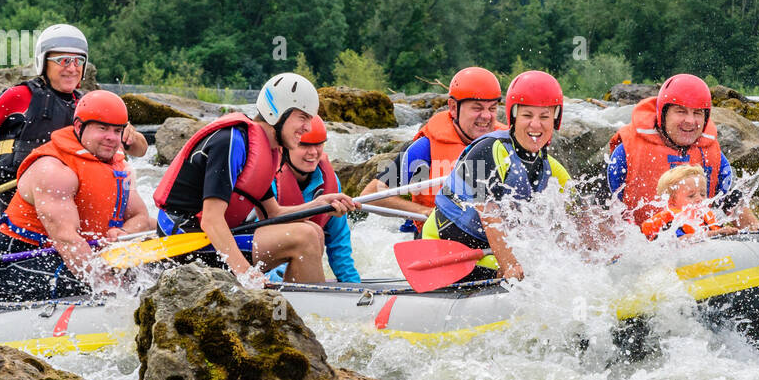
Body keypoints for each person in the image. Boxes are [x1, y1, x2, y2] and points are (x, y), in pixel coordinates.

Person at [152, 72, 357, 285]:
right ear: (277, 113)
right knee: (304, 237)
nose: (307, 127)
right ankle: (313, 312)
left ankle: (296, 306)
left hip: (208, 236)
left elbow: (272, 213)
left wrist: (318, 204)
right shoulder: (230, 142)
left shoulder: (265, 150)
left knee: (314, 231)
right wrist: (248, 276)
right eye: (303, 117)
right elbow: (211, 220)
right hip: (183, 238)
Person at [0, 23, 146, 214]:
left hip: (72, 202)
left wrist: (131, 136)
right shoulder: (18, 97)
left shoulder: (88, 104)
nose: (72, 68)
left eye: (78, 61)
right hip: (22, 202)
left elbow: (140, 150)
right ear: (43, 62)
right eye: (63, 60)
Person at [0, 90, 152, 301]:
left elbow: (142, 218)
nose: (111, 138)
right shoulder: (53, 170)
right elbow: (67, 240)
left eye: (116, 130)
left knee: (152, 266)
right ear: (78, 127)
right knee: (128, 283)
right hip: (22, 260)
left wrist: (122, 233)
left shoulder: (115, 165)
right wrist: (107, 285)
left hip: (78, 251)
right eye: (102, 129)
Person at [421, 70, 570, 282]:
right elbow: (489, 214)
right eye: (527, 115)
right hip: (443, 245)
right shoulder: (486, 150)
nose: (536, 125)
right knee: (535, 272)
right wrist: (509, 264)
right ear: (513, 117)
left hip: (486, 251)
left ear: (555, 120)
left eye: (544, 117)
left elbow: (579, 211)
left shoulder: (549, 166)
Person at [605, 72, 759, 231]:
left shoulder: (714, 157)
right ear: (662, 114)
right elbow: (600, 215)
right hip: (643, 243)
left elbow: (735, 205)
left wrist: (758, 233)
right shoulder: (625, 154)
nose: (690, 121)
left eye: (697, 113)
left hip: (697, 244)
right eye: (681, 111)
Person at [359, 66, 505, 226]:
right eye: (477, 108)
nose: (486, 116)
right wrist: (424, 212)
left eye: (492, 108)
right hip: (437, 236)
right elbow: (372, 194)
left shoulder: (505, 145)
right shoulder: (424, 148)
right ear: (454, 108)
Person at [273, 116, 361, 283]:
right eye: (304, 145)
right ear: (285, 147)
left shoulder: (330, 180)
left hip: (302, 264)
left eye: (319, 144)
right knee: (311, 231)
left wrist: (353, 285)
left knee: (314, 233)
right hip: (268, 268)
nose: (313, 152)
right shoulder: (269, 177)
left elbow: (339, 242)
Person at [639, 165, 739, 240]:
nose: (699, 199)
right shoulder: (672, 221)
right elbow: (680, 240)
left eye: (703, 194)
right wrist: (715, 233)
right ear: (672, 202)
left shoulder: (706, 216)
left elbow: (719, 231)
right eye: (691, 196)